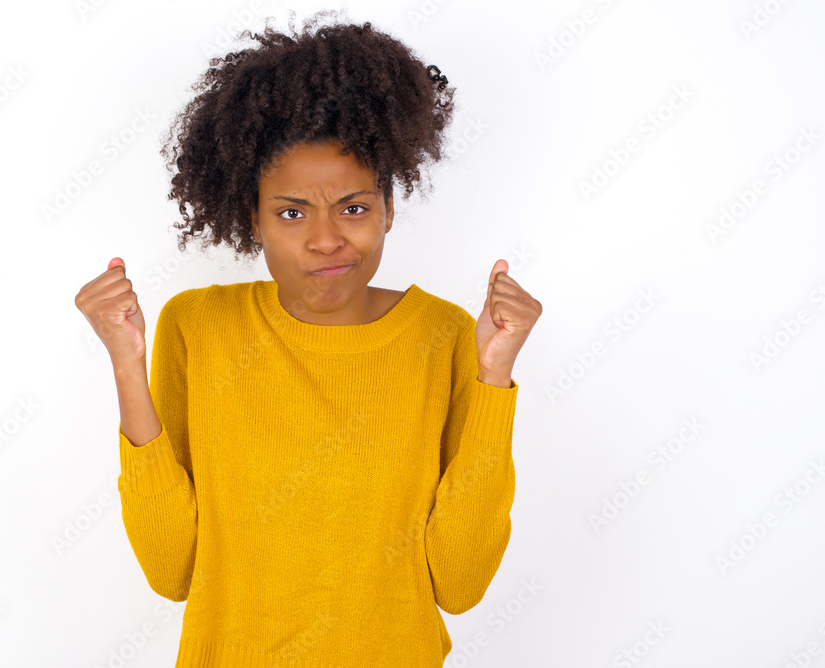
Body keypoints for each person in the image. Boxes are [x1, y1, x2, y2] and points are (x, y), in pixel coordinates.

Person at [75, 10, 542, 667]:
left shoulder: (443, 337)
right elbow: (172, 570)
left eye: (354, 208)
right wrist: (127, 363)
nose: (326, 240)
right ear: (253, 217)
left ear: (388, 208)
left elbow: (459, 586)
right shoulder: (199, 328)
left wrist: (494, 376)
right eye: (292, 212)